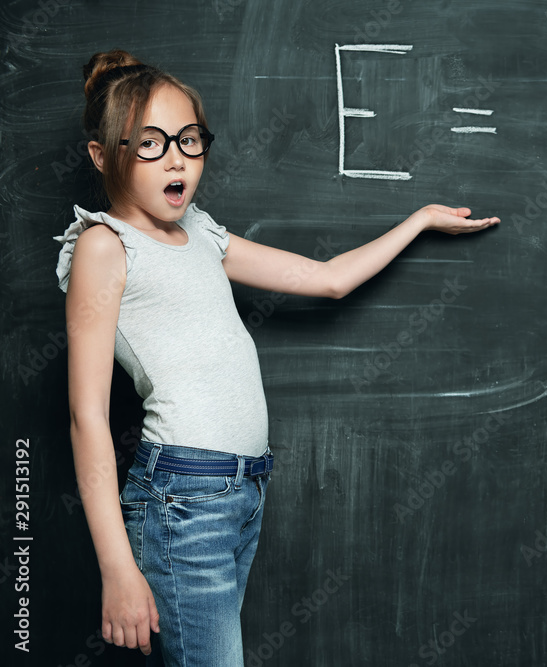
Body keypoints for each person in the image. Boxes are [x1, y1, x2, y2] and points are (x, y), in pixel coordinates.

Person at [53, 49, 499, 666]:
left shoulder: (202, 234)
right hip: (185, 501)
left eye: (188, 139)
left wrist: (418, 221)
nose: (177, 158)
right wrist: (117, 568)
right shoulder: (105, 245)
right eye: (150, 143)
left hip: (244, 493)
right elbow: (87, 419)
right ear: (104, 155)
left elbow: (328, 280)